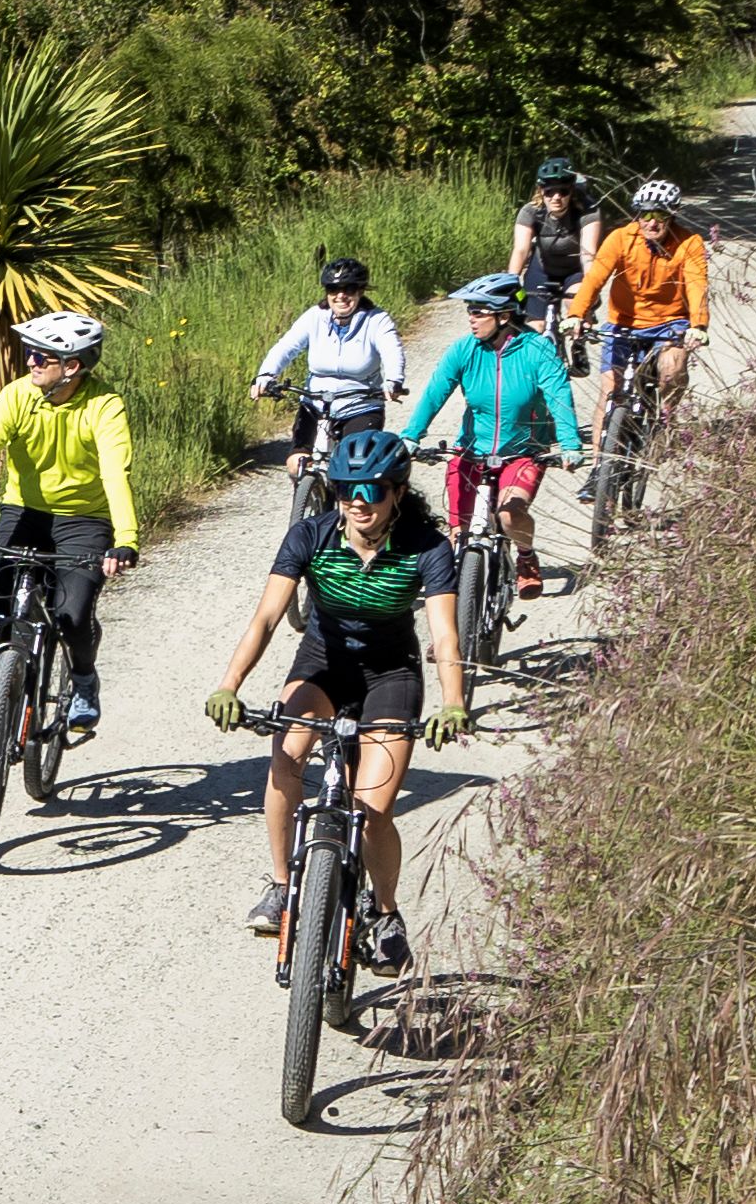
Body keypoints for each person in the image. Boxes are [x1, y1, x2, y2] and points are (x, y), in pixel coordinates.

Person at [201, 426, 471, 977]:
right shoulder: (311, 536)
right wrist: (229, 685)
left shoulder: (427, 546)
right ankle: (282, 886)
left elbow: (445, 635)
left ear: (397, 492)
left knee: (374, 809)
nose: (358, 502)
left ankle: (386, 914)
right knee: (285, 761)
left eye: (372, 490)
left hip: (390, 673)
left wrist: (453, 701)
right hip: (322, 665)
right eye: (347, 490)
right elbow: (266, 618)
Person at [0, 309, 141, 736]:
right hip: (22, 511)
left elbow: (115, 474)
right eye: (30, 353)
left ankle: (83, 680)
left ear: (72, 367)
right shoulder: (16, 396)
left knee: (72, 613)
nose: (30, 362)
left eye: (41, 357)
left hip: (84, 518)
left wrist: (125, 540)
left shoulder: (104, 406)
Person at [403, 273, 583, 586]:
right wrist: (410, 436)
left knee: (509, 516)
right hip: (471, 453)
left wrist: (570, 444)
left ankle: (525, 555)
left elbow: (559, 396)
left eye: (478, 311)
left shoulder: (537, 350)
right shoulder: (465, 350)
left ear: (504, 316)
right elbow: (434, 394)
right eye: (469, 311)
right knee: (458, 538)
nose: (471, 318)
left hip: (522, 454)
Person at [565, 179, 713, 442]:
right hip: (623, 322)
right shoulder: (621, 238)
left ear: (672, 216)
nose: (651, 222)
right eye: (645, 214)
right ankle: (598, 464)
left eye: (660, 215)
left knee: (672, 369)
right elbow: (595, 278)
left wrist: (698, 325)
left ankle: (663, 422)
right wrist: (576, 314)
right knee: (610, 390)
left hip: (670, 323)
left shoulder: (689, 242)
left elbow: (696, 284)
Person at [249, 256, 414, 490]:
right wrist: (266, 375)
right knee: (297, 464)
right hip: (315, 403)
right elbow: (287, 346)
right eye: (333, 289)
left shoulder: (377, 320)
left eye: (349, 289)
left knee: (354, 469)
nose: (341, 295)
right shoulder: (314, 317)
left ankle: (348, 507)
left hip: (360, 405)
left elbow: (392, 350)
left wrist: (393, 380)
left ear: (361, 291)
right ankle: (307, 501)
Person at [509, 158, 601, 299]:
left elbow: (588, 253)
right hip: (542, 269)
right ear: (541, 191)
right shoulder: (530, 211)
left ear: (572, 190)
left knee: (576, 303)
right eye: (549, 192)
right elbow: (521, 250)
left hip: (575, 270)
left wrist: (591, 286)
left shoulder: (588, 211)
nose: (556, 197)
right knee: (528, 311)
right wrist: (510, 284)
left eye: (563, 191)